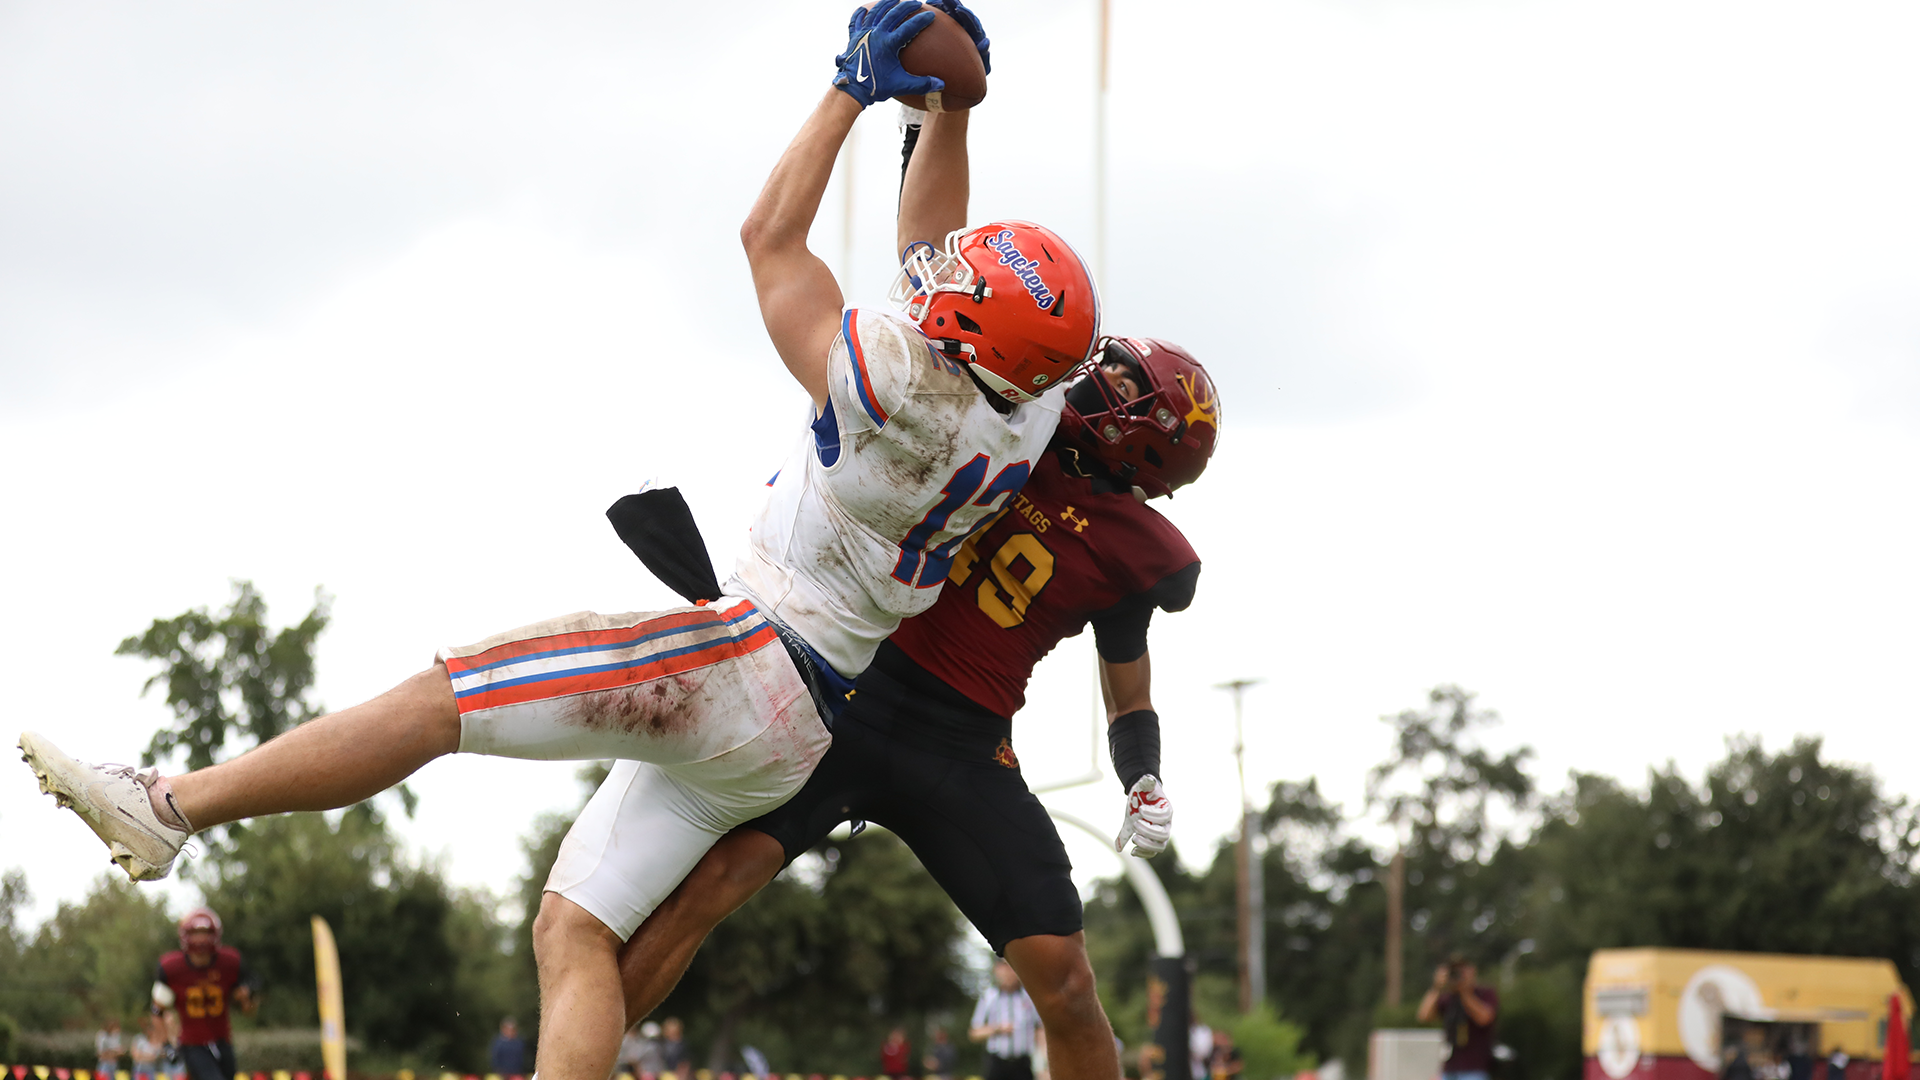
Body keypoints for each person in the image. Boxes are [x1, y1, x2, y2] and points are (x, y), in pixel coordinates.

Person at [19, 4, 1100, 1077]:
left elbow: (770, 238)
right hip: (802, 721)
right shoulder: (1027, 406)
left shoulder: (888, 382)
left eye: (962, 290)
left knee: (442, 700)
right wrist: (950, 111)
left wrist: (851, 89)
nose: (943, 277)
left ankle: (168, 806)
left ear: (962, 333)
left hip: (744, 663)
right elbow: (932, 250)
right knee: (573, 935)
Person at [600, 20, 1219, 1080]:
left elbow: (1127, 677)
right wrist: (937, 125)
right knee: (701, 894)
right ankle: (583, 1058)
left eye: (1119, 390)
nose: (1092, 376)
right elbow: (939, 273)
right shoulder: (1013, 404)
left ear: (1144, 449)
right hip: (845, 681)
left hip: (959, 741)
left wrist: (1145, 771)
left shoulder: (1141, 547)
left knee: (1065, 981)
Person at [152, 908, 257, 1080]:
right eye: (196, 933)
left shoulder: (230, 962)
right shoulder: (172, 968)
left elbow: (249, 1010)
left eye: (205, 933)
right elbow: (157, 1011)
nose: (201, 939)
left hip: (223, 1041)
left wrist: (246, 999)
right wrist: (166, 1045)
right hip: (192, 1044)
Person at [1417, 957, 1499, 1080]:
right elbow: (1423, 1016)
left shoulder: (1485, 993)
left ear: (1472, 971)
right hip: (1450, 1068)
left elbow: (1484, 1018)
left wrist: (1464, 992)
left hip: (1475, 1068)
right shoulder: (1449, 997)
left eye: (1462, 970)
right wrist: (1437, 987)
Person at [971, 961, 1042, 1080]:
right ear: (996, 970)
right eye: (1004, 967)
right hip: (997, 1064)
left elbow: (1040, 1029)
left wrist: (1043, 1063)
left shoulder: (1029, 997)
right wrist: (996, 1029)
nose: (1008, 972)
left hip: (1023, 1064)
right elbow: (974, 1033)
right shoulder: (988, 996)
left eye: (1012, 967)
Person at [131, 1012, 163, 1080]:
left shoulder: (157, 1041)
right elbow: (136, 1056)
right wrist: (149, 1057)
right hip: (139, 1069)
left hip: (151, 1070)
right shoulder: (138, 1039)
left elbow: (156, 1057)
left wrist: (143, 1056)